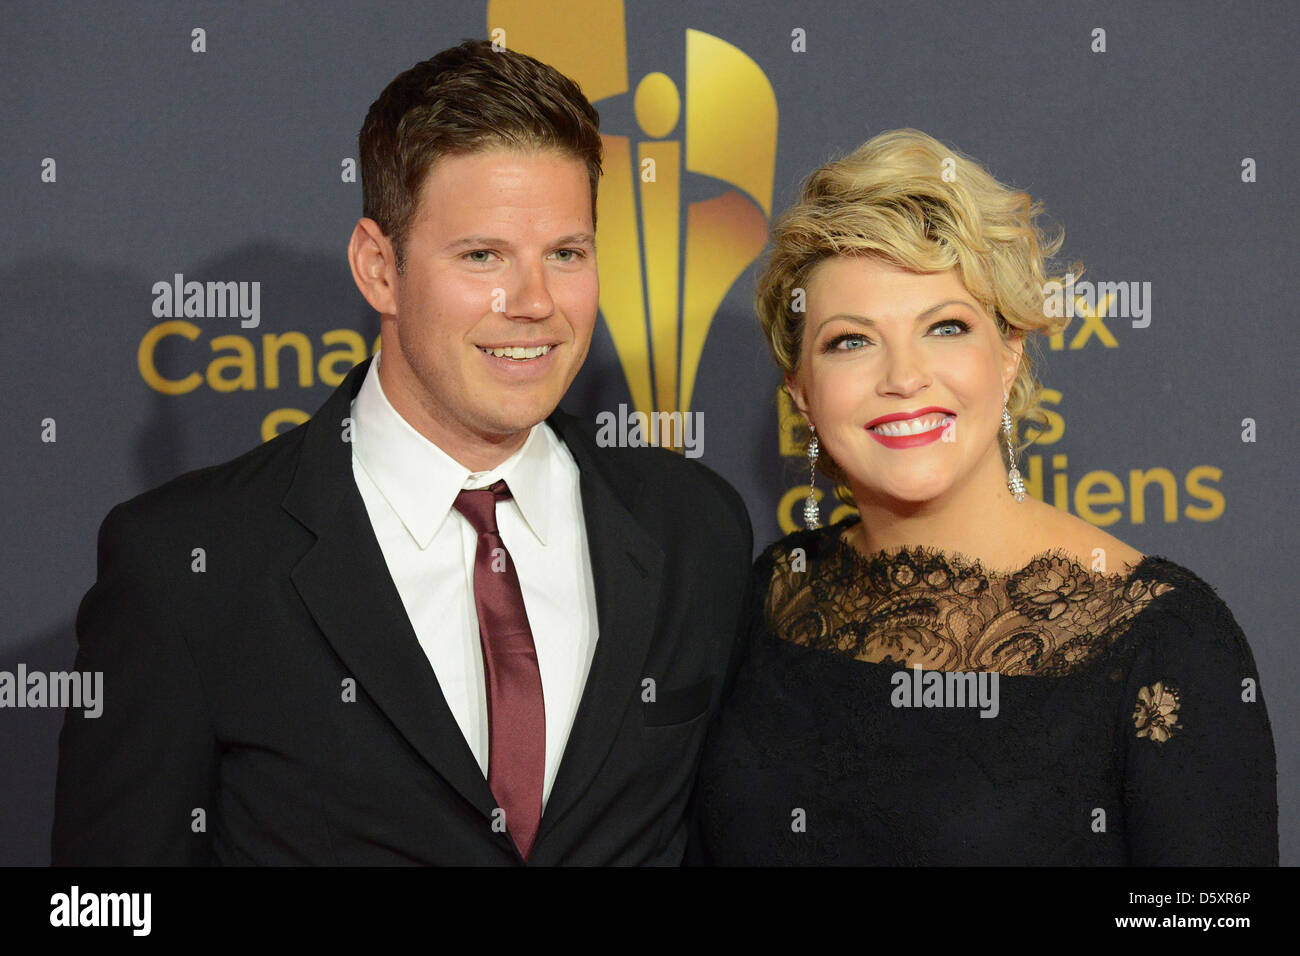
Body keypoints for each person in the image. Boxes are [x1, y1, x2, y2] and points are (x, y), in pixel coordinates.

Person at [52, 39, 752, 866]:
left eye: (566, 253)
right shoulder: (189, 566)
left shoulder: (692, 529)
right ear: (379, 269)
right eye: (483, 255)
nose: (533, 303)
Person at [691, 128, 1278, 865]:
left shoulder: (1161, 641)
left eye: (944, 327)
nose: (904, 376)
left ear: (1008, 357)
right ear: (802, 396)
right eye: (851, 341)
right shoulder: (775, 594)